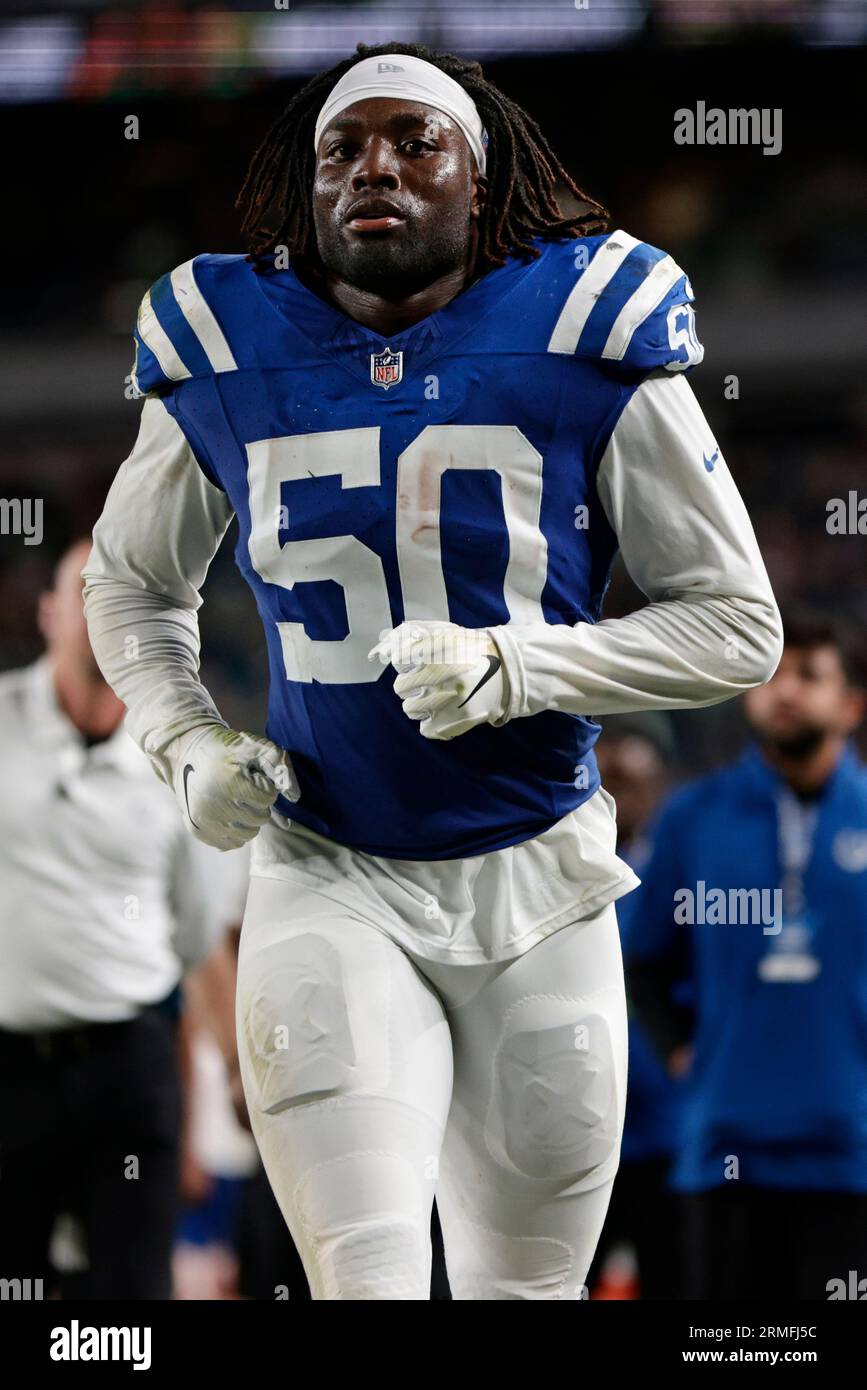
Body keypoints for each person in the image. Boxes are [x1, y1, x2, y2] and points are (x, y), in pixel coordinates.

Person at [82, 42, 782, 1300]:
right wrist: (186, 737)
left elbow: (736, 623)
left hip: (539, 877)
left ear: (482, 172)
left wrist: (521, 665)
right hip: (327, 863)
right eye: (342, 149)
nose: (375, 168)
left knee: (528, 1292)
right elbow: (130, 583)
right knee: (367, 1276)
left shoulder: (585, 327)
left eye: (415, 142)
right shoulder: (226, 345)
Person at [0, 540, 243, 1300]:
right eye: (84, 595)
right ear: (46, 612)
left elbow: (199, 940)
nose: (101, 618)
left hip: (127, 1068)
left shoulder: (177, 760)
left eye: (120, 601)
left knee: (131, 1303)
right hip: (10, 1067)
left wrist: (240, 1069)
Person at [625, 610, 867, 1299]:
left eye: (808, 675)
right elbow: (643, 961)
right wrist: (679, 1048)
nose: (784, 691)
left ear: (849, 705)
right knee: (732, 1351)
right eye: (770, 675)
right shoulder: (692, 818)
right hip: (724, 1145)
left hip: (851, 1153)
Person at [588, 716, 684, 1299]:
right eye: (607, 757)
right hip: (565, 1129)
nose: (619, 770)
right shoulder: (542, 867)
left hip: (668, 1139)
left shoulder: (687, 874)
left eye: (634, 762)